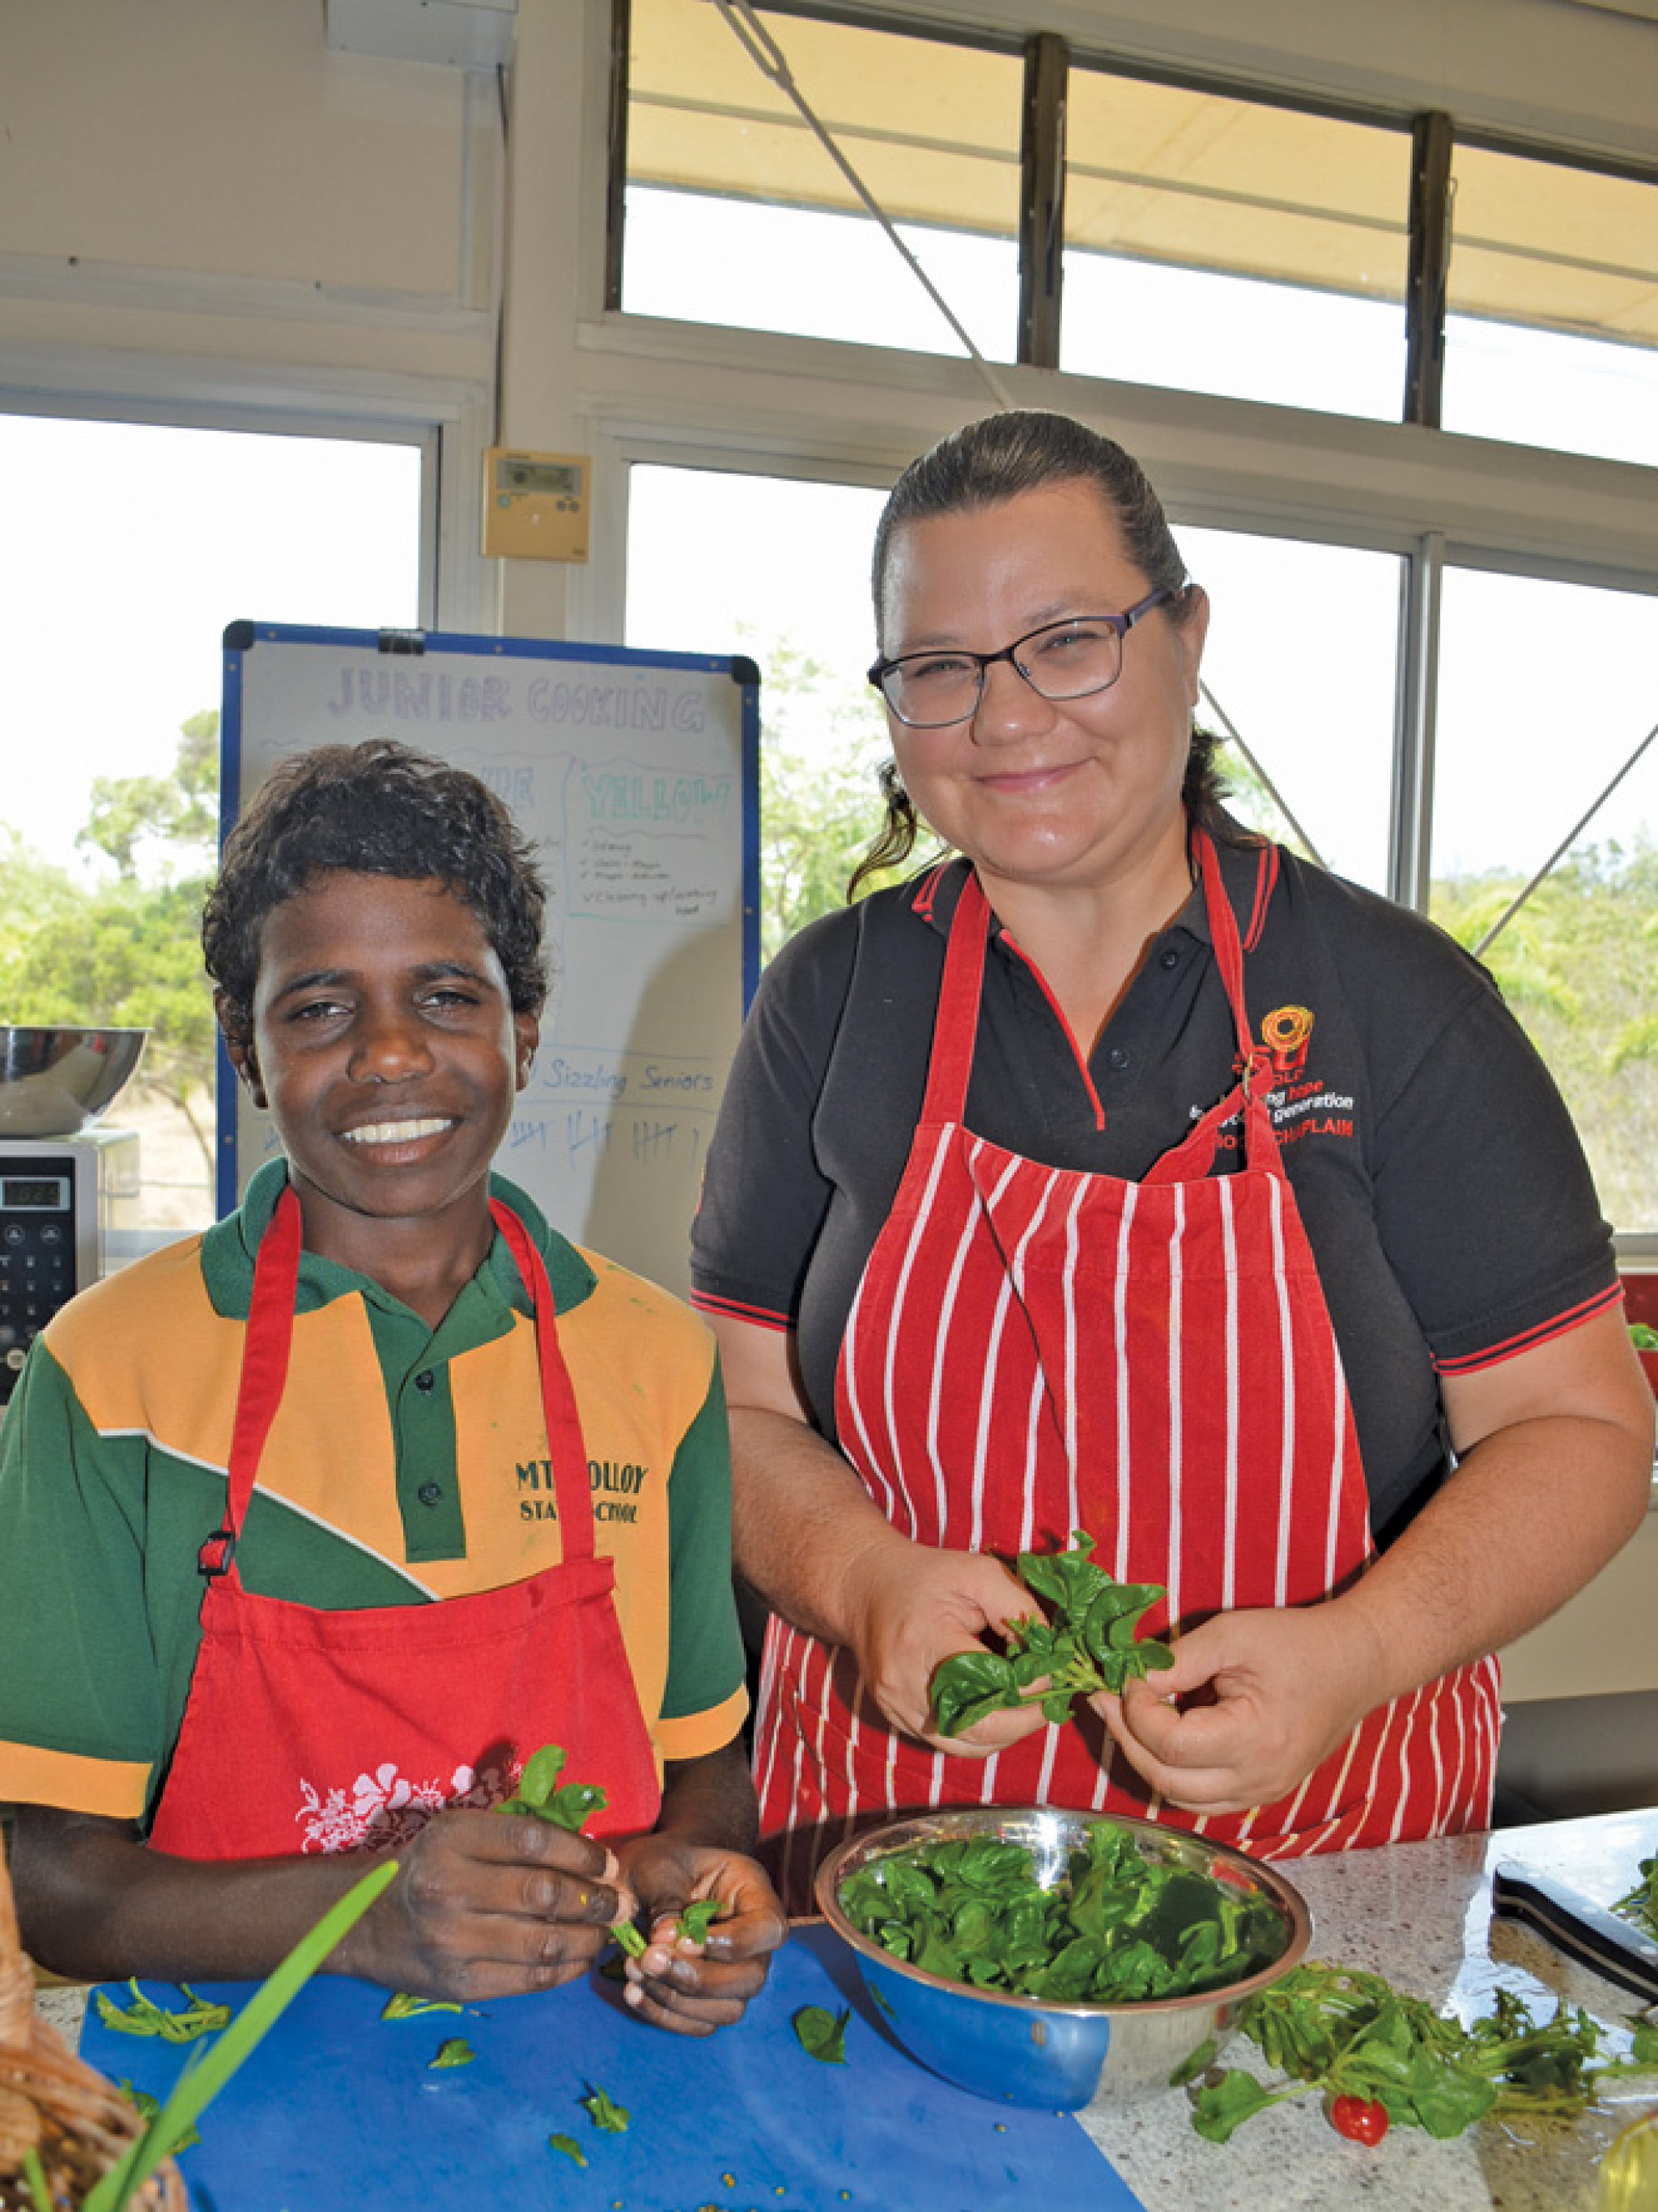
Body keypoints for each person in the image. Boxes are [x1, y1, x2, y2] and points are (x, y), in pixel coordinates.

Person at [690, 409, 1656, 1912]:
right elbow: (736, 1407)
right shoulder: (833, 998)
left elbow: (1583, 1429)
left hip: (1320, 1860)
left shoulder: (1392, 1003)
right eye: (938, 668)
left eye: (1067, 639)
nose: (1006, 721)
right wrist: (859, 1576)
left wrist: (1360, 1651)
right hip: (895, 1868)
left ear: (1186, 636)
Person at [0, 738, 784, 2031]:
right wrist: (364, 1914)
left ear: (523, 1028)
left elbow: (699, 1762)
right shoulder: (110, 1374)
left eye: (445, 996)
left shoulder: (657, 1361)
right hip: (224, 2076)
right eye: (316, 1007)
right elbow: (46, 1879)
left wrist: (684, 1876)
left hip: (589, 2058)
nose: (388, 1053)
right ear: (248, 1055)